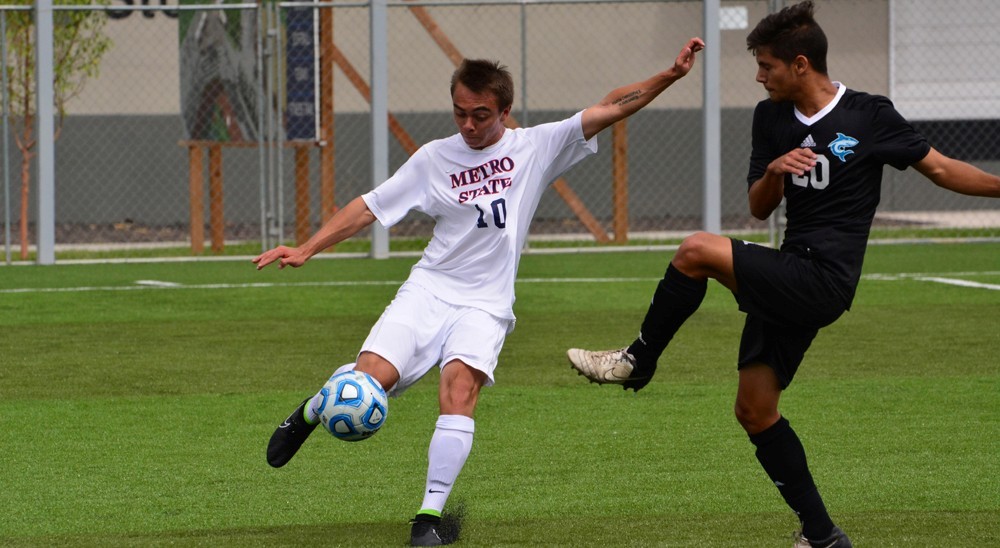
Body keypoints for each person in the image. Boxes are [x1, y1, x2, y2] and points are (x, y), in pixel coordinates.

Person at [567, 2, 1000, 547]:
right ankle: (821, 536)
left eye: (766, 66)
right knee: (754, 410)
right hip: (790, 272)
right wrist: (774, 169)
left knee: (695, 249)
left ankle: (636, 360)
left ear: (800, 64)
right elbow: (758, 207)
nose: (758, 76)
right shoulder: (769, 118)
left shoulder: (869, 115)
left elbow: (941, 169)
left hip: (824, 279)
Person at [254, 36, 705, 547]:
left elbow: (611, 107)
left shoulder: (536, 146)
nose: (468, 125)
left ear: (505, 112)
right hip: (429, 289)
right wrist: (309, 247)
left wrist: (671, 75)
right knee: (370, 381)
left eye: (481, 115)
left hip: (486, 303)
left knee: (459, 391)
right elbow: (369, 206)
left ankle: (427, 520)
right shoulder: (433, 158)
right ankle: (314, 409)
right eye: (460, 113)